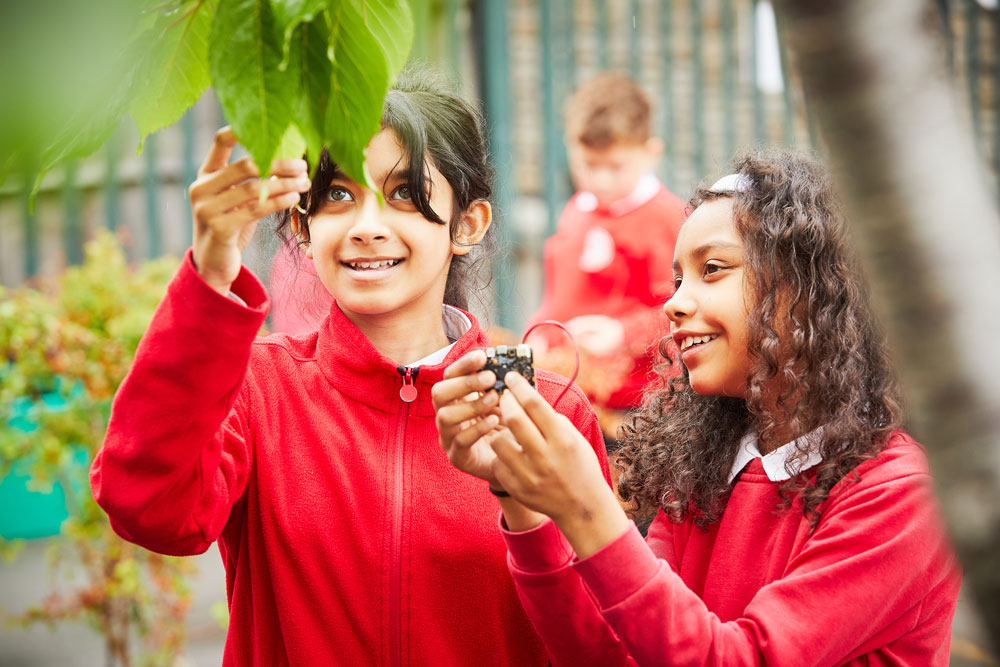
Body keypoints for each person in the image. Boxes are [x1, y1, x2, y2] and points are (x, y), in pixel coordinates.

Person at [89, 71, 611, 665]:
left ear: (468, 225)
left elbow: (598, 638)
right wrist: (209, 277)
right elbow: (147, 509)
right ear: (305, 229)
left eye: (404, 194)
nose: (366, 226)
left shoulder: (547, 412)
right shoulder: (260, 388)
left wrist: (525, 513)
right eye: (338, 194)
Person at [435, 149, 962, 665]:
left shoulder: (903, 495)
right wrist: (521, 500)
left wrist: (584, 506)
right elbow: (606, 652)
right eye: (678, 279)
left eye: (712, 269)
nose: (674, 302)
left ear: (809, 290)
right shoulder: (704, 471)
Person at [527, 72, 687, 433]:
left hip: (642, 407)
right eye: (588, 165)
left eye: (615, 167)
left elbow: (683, 312)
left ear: (651, 153)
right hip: (575, 395)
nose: (600, 180)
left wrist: (621, 334)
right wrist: (539, 334)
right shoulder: (576, 211)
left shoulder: (668, 220)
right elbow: (558, 297)